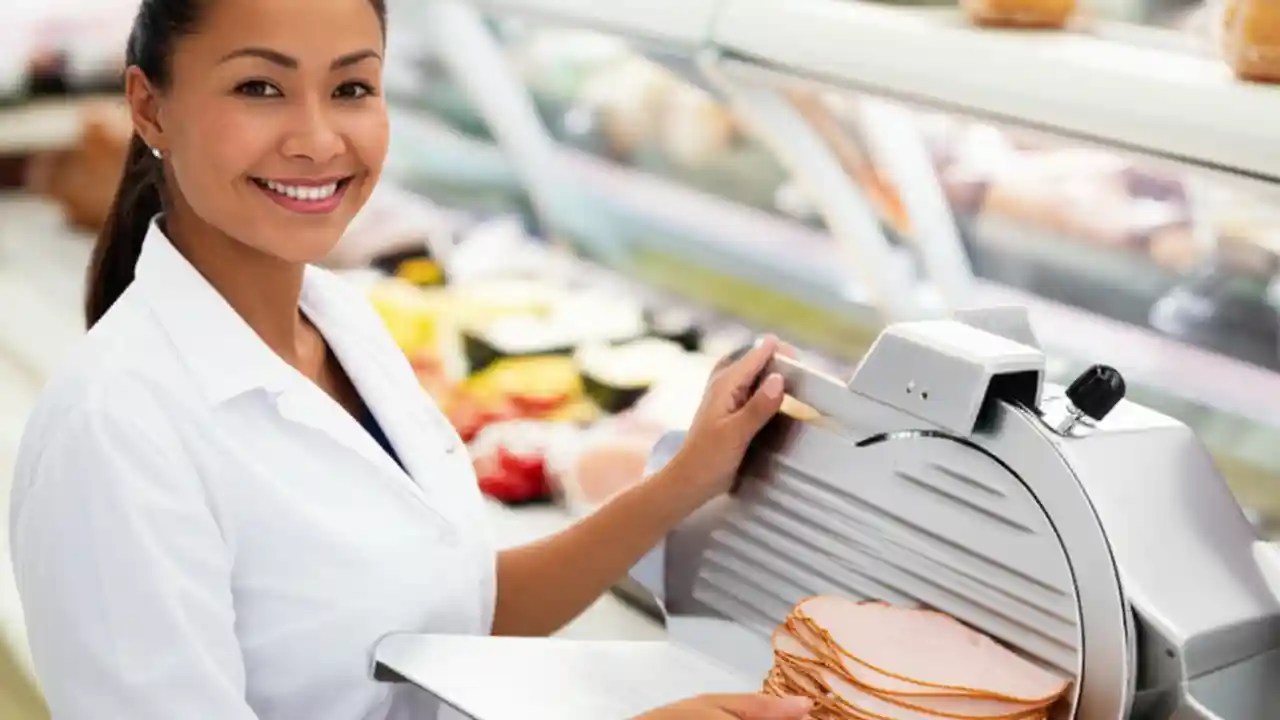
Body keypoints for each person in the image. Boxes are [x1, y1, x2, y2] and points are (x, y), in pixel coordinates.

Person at [7, 1, 812, 719]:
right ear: (150, 108)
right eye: (260, 87)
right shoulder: (114, 431)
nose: (318, 139)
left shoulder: (340, 322)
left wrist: (686, 480)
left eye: (351, 87)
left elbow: (454, 617)